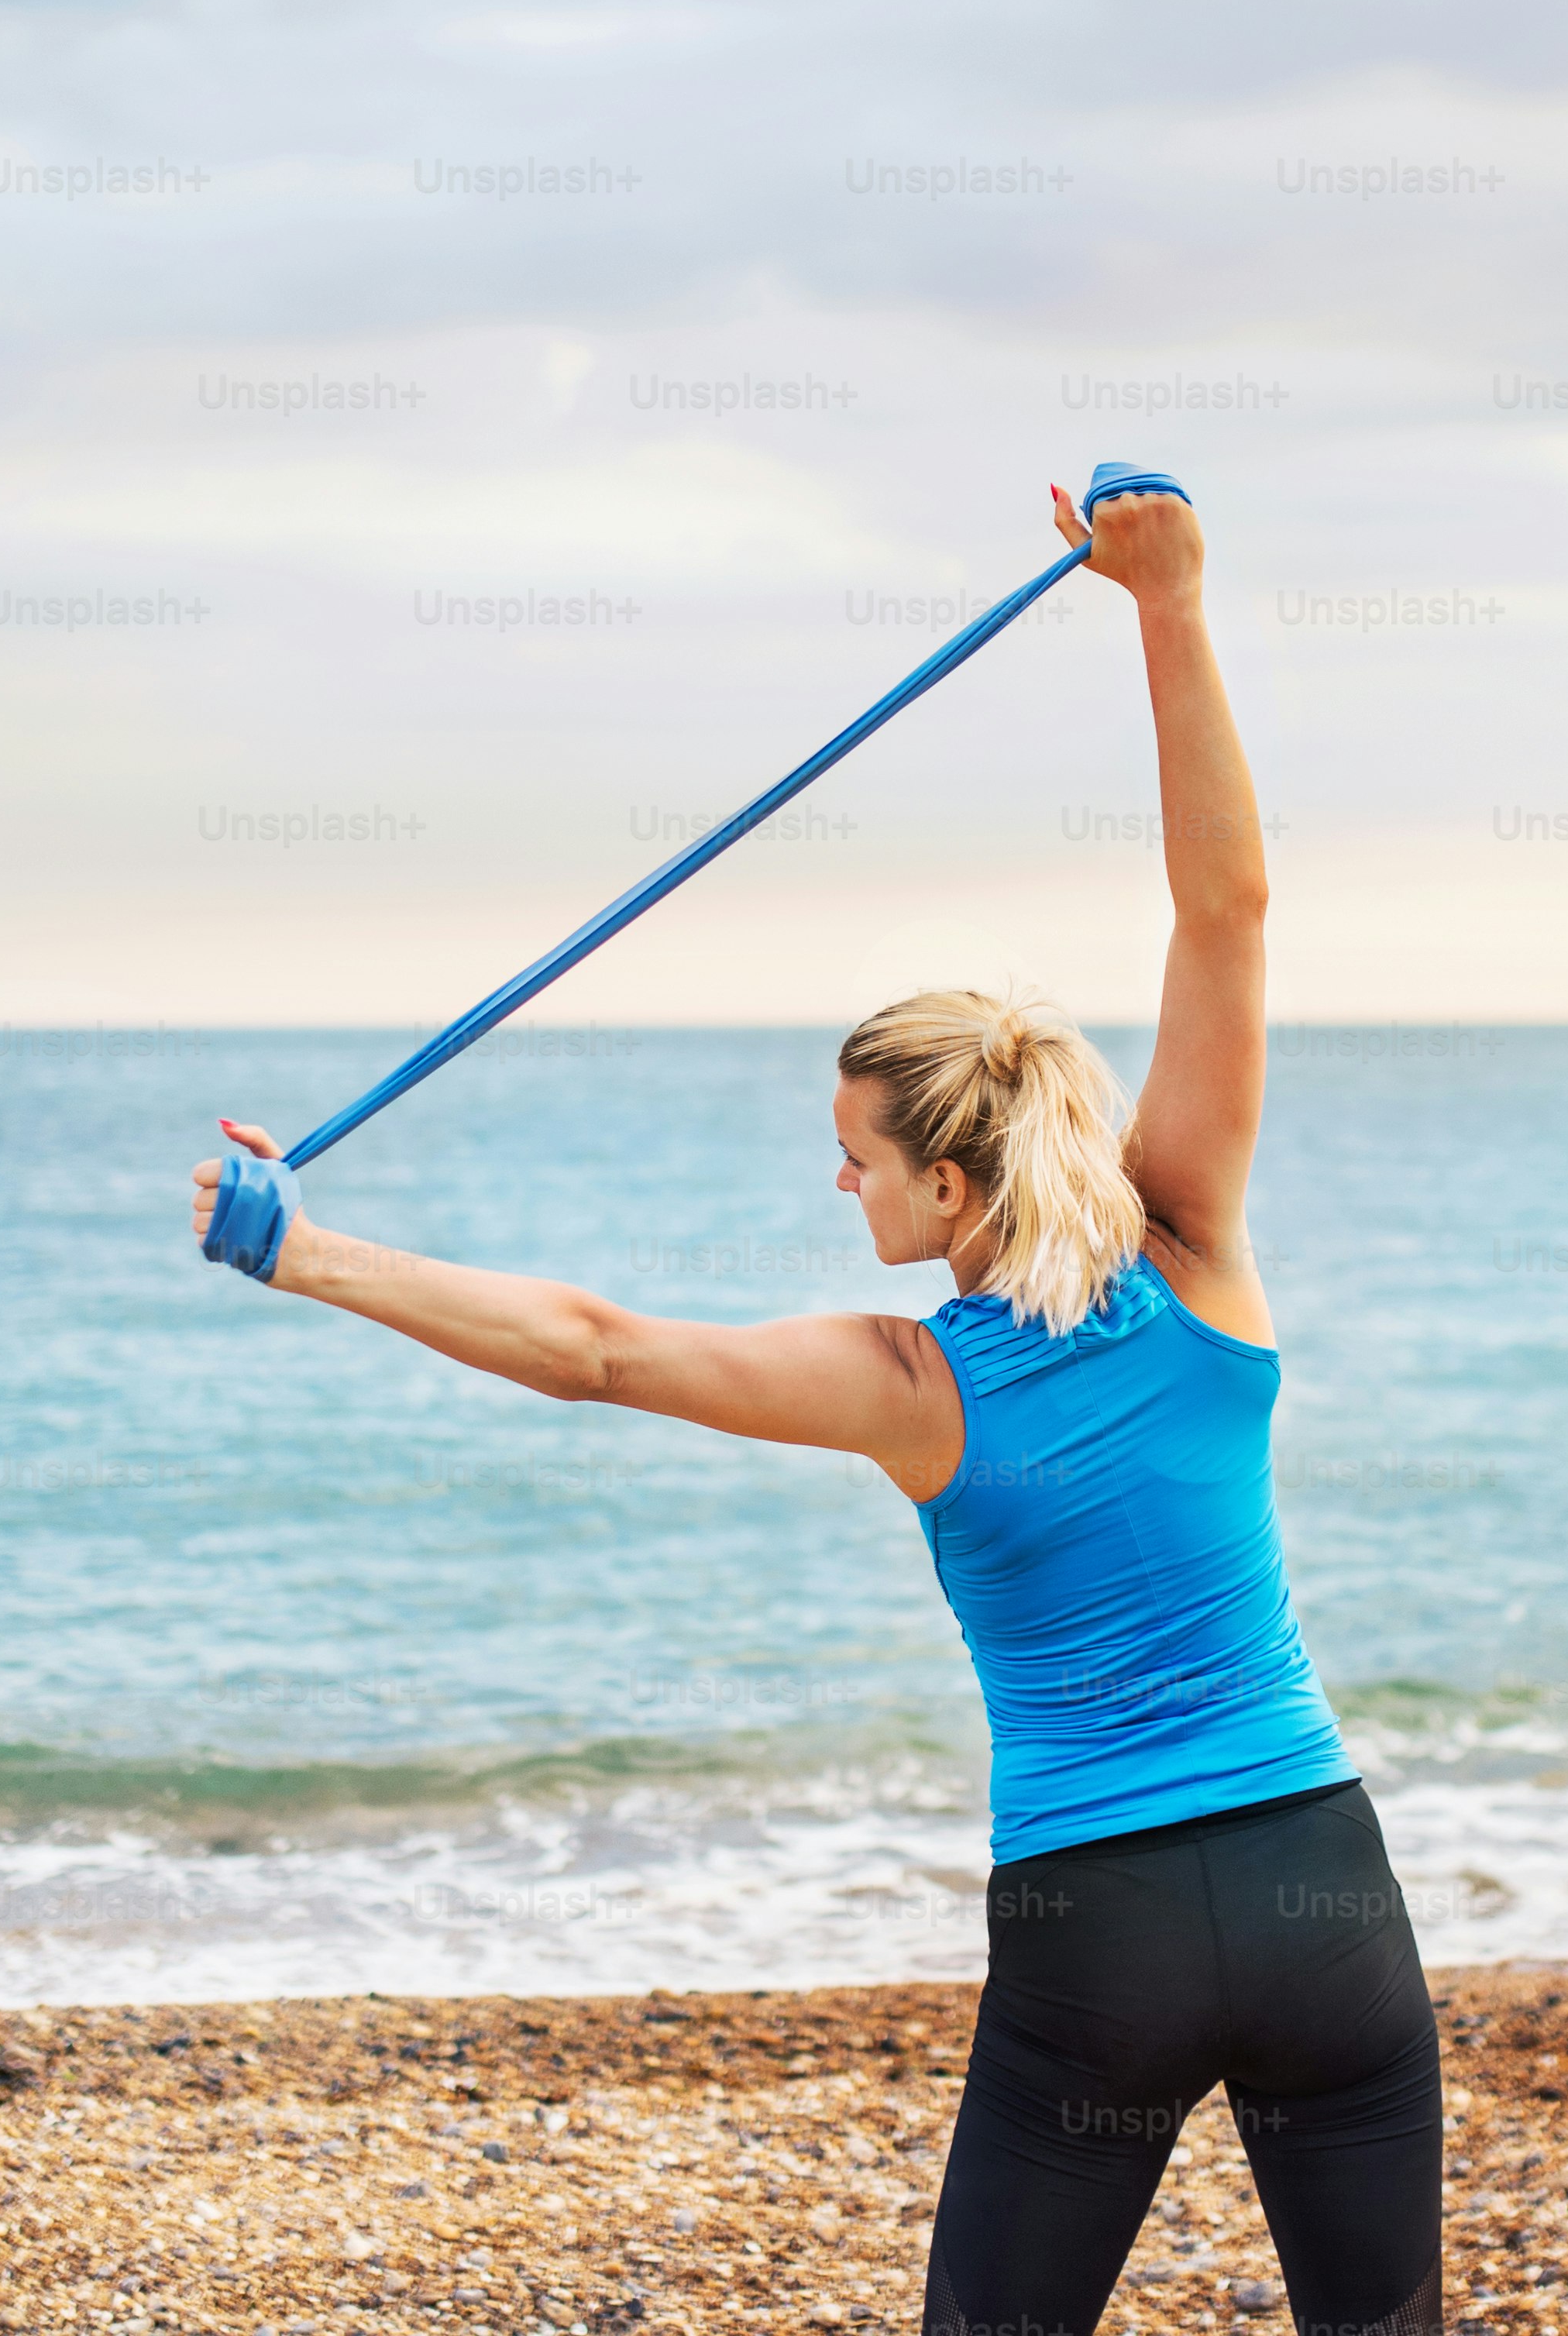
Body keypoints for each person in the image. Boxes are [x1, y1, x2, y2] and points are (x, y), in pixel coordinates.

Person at [191, 480, 1443, 2334]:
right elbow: (1228, 909)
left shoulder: (910, 1382)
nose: (842, 1190)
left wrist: (309, 1253)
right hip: (1317, 1887)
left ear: (951, 1183)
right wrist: (1169, 599)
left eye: (859, 1159)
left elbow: (602, 1347)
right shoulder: (1197, 1247)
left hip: (1095, 1931)